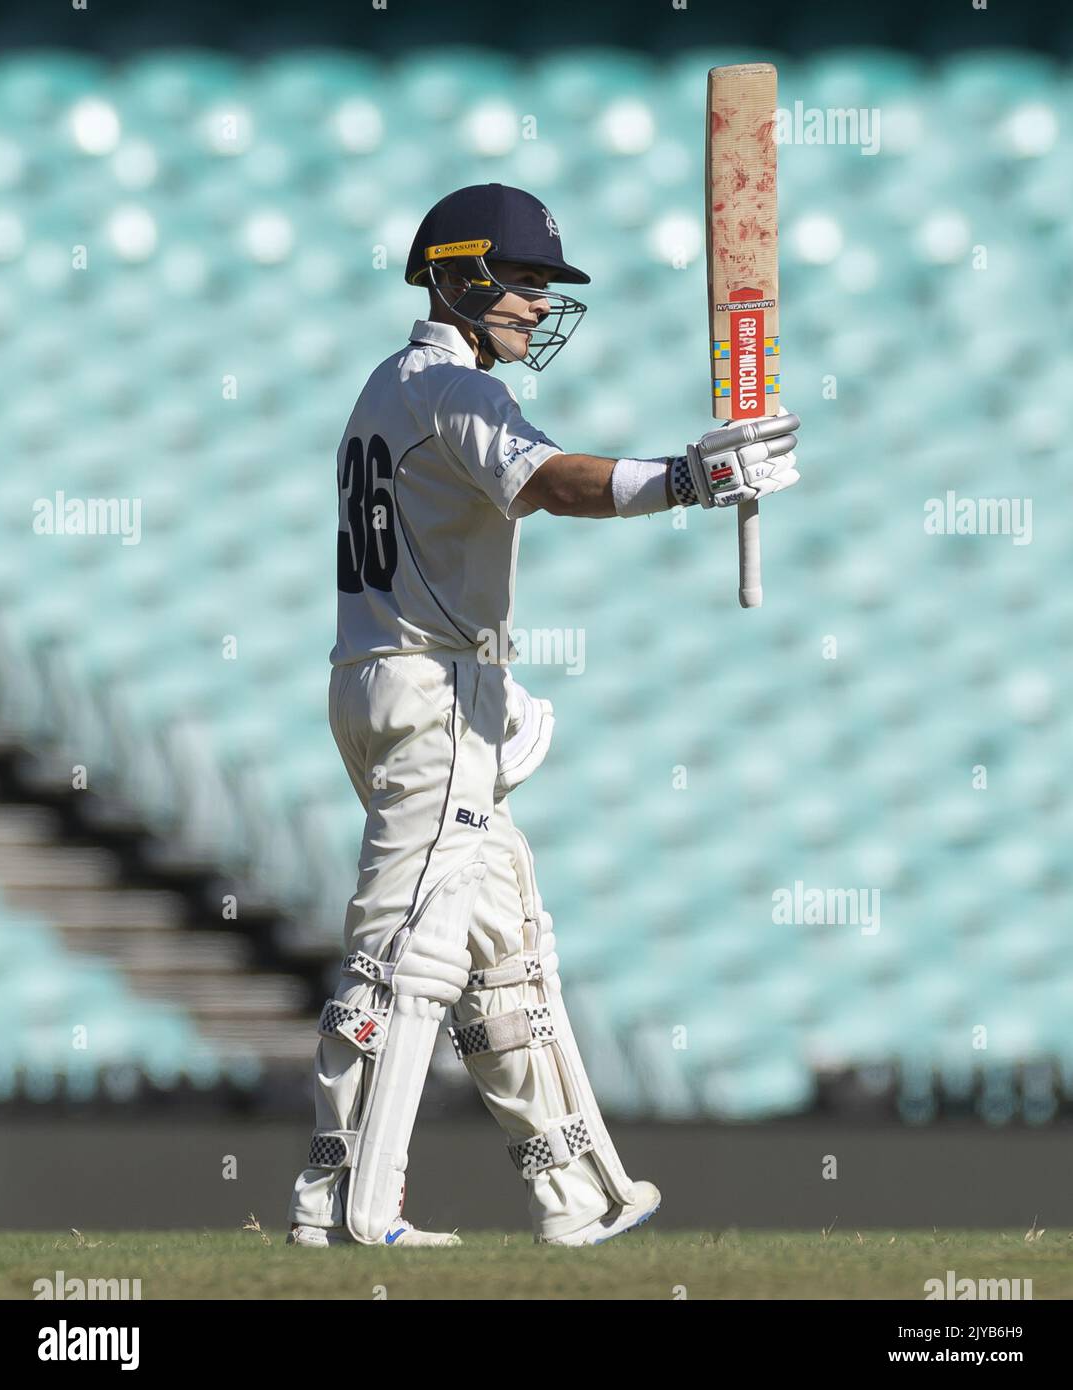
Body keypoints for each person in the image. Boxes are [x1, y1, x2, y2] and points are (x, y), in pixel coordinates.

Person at [287, 183, 800, 1248]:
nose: (535, 306)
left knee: (503, 952)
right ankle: (341, 1207)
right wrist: (691, 478)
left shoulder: (390, 387)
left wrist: (486, 680)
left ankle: (575, 1196)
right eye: (522, 283)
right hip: (427, 693)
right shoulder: (452, 393)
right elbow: (552, 484)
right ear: (462, 276)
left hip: (412, 679)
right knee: (402, 957)